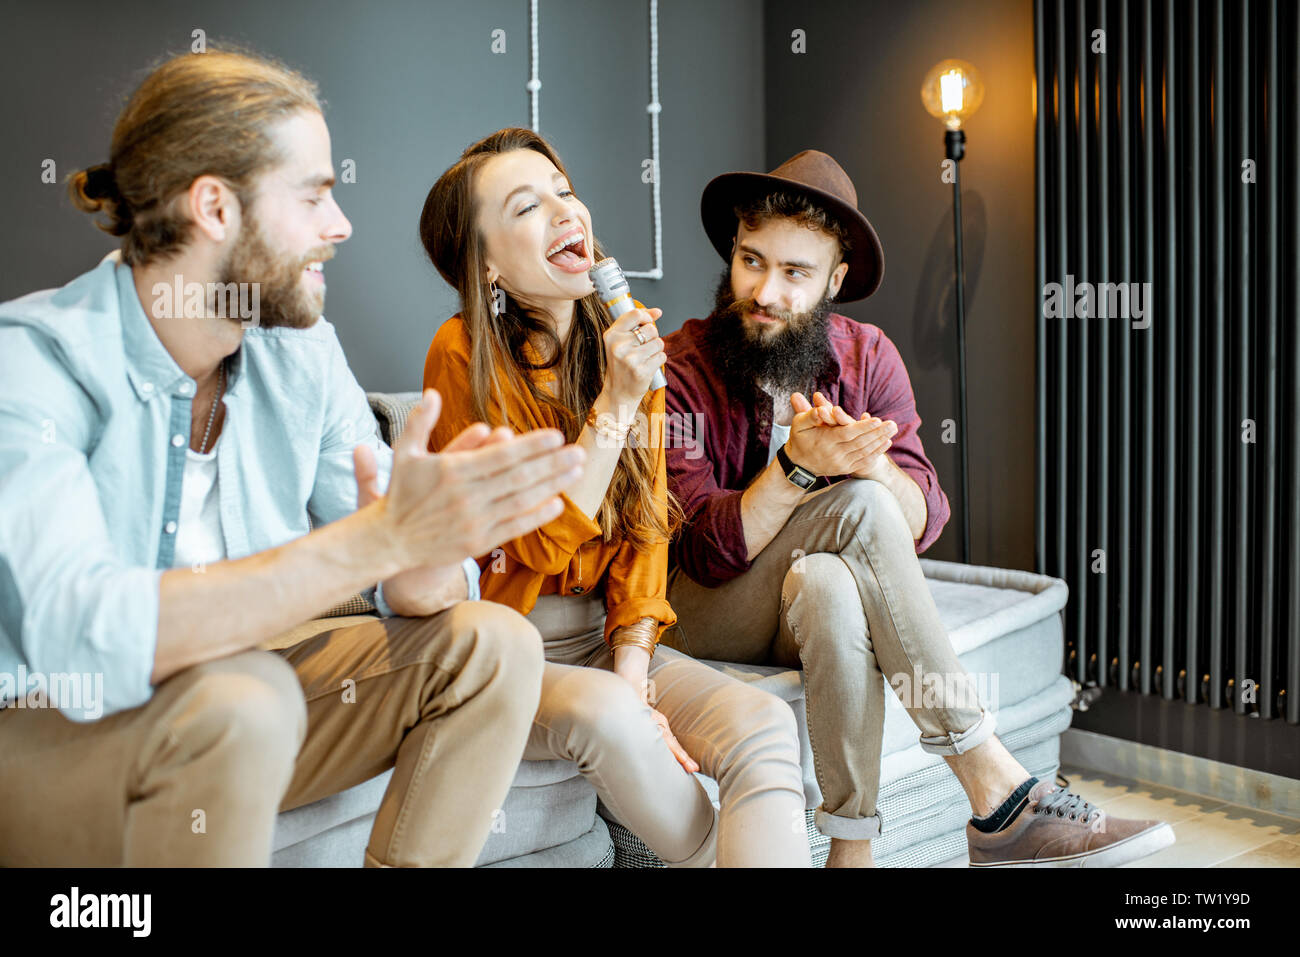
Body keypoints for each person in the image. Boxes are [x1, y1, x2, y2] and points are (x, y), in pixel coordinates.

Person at [0, 50, 587, 867]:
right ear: (214, 206)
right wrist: (375, 539)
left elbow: (406, 581)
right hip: (44, 729)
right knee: (245, 700)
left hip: (246, 703)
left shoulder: (299, 352)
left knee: (493, 644)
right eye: (313, 194)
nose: (340, 224)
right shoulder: (32, 362)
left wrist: (430, 542)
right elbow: (83, 638)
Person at [662, 149, 1176, 868]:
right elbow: (699, 549)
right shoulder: (679, 367)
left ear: (835, 280)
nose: (765, 290)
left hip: (798, 597)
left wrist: (870, 462)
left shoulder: (868, 357)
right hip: (703, 608)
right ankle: (997, 790)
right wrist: (796, 469)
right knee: (861, 506)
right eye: (752, 261)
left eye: (795, 273)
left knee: (830, 585)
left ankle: (851, 852)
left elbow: (922, 518)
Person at [419, 127, 812, 867]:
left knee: (762, 724)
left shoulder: (620, 340)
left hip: (604, 639)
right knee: (608, 716)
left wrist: (634, 666)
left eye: (565, 191)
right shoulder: (461, 354)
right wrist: (616, 403)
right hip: (504, 647)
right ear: (488, 266)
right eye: (528, 206)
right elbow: (534, 542)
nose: (567, 210)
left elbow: (646, 524)